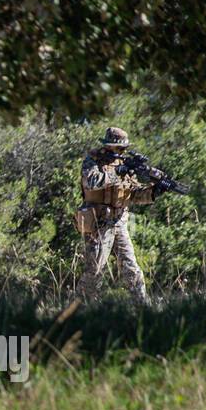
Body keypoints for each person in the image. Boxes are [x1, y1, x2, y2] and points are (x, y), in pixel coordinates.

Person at [75, 126, 159, 305]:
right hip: (98, 221)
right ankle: (81, 307)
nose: (122, 152)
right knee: (95, 269)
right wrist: (117, 172)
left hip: (119, 221)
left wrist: (154, 191)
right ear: (108, 146)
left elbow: (134, 194)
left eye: (124, 148)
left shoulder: (124, 165)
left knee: (131, 267)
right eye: (119, 148)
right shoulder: (93, 160)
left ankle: (142, 306)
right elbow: (91, 181)